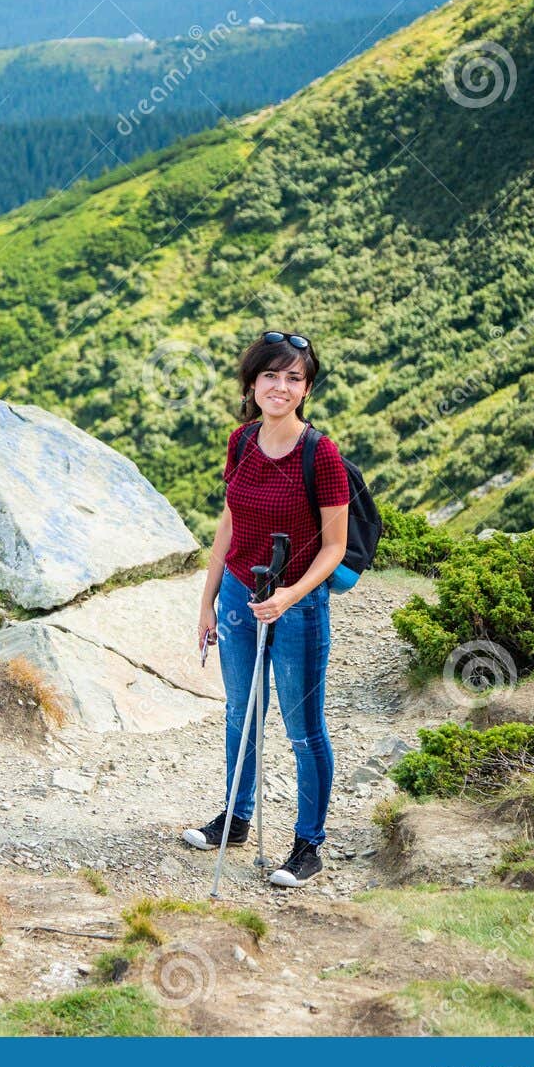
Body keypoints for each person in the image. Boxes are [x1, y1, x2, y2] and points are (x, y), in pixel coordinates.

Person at [181, 330, 350, 887]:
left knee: (303, 729)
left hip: (296, 603)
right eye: (270, 376)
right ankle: (235, 819)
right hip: (239, 591)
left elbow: (335, 546)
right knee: (241, 712)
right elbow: (229, 521)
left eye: (293, 378)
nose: (281, 387)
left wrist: (291, 596)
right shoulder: (241, 441)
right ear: (252, 383)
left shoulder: (320, 454)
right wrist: (207, 601)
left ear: (306, 389)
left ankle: (308, 845)